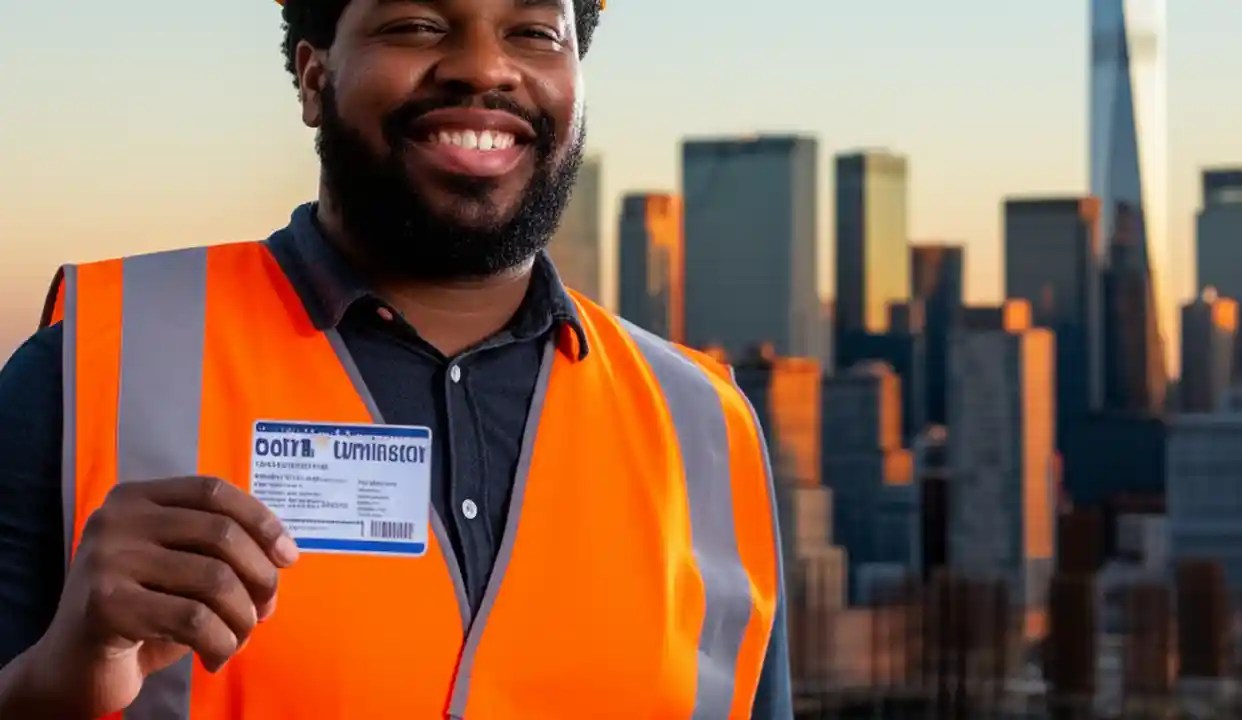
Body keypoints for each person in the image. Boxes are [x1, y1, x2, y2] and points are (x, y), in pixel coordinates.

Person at [0, 0, 793, 717]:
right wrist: (48, 688)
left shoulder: (707, 430)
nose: (484, 67)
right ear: (315, 79)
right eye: (416, 24)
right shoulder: (87, 370)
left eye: (535, 33)